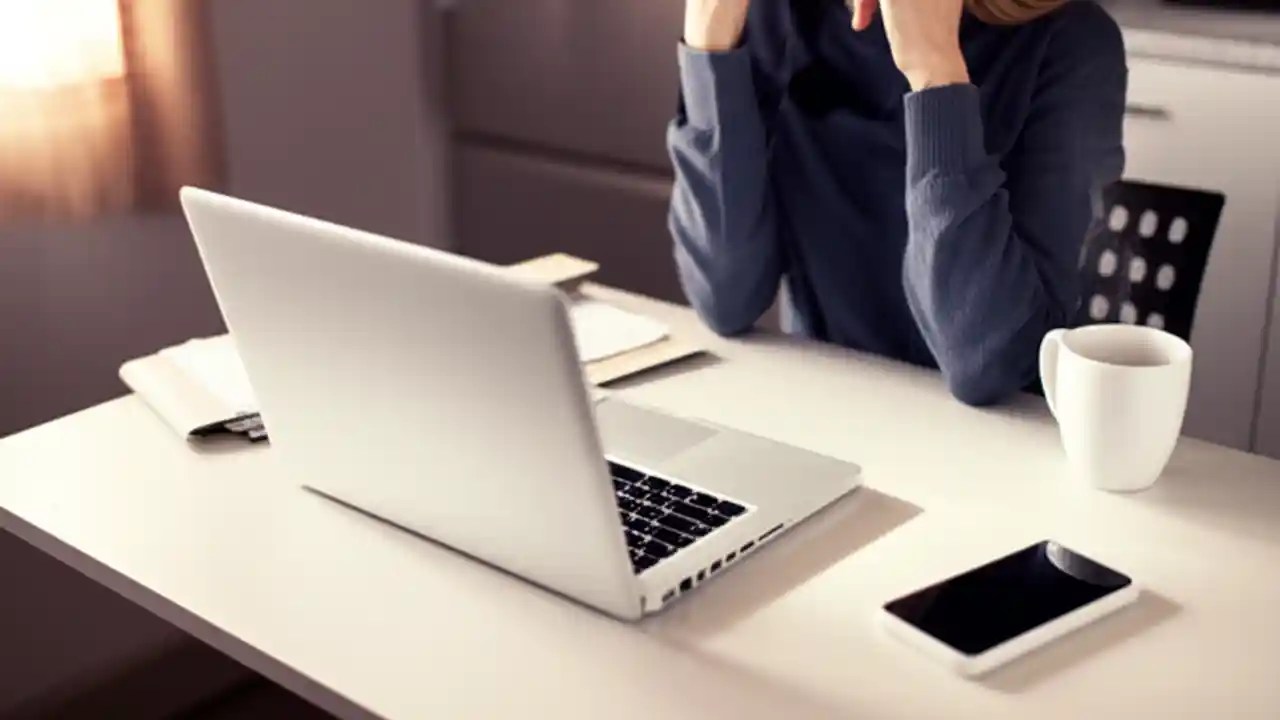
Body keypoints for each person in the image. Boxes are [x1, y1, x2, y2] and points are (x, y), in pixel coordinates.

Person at [668, 0, 1126, 405]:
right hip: (832, 413)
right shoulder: (782, 14)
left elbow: (988, 366)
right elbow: (727, 299)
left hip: (1001, 450)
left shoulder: (1074, 43)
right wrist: (710, 37)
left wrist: (935, 68)